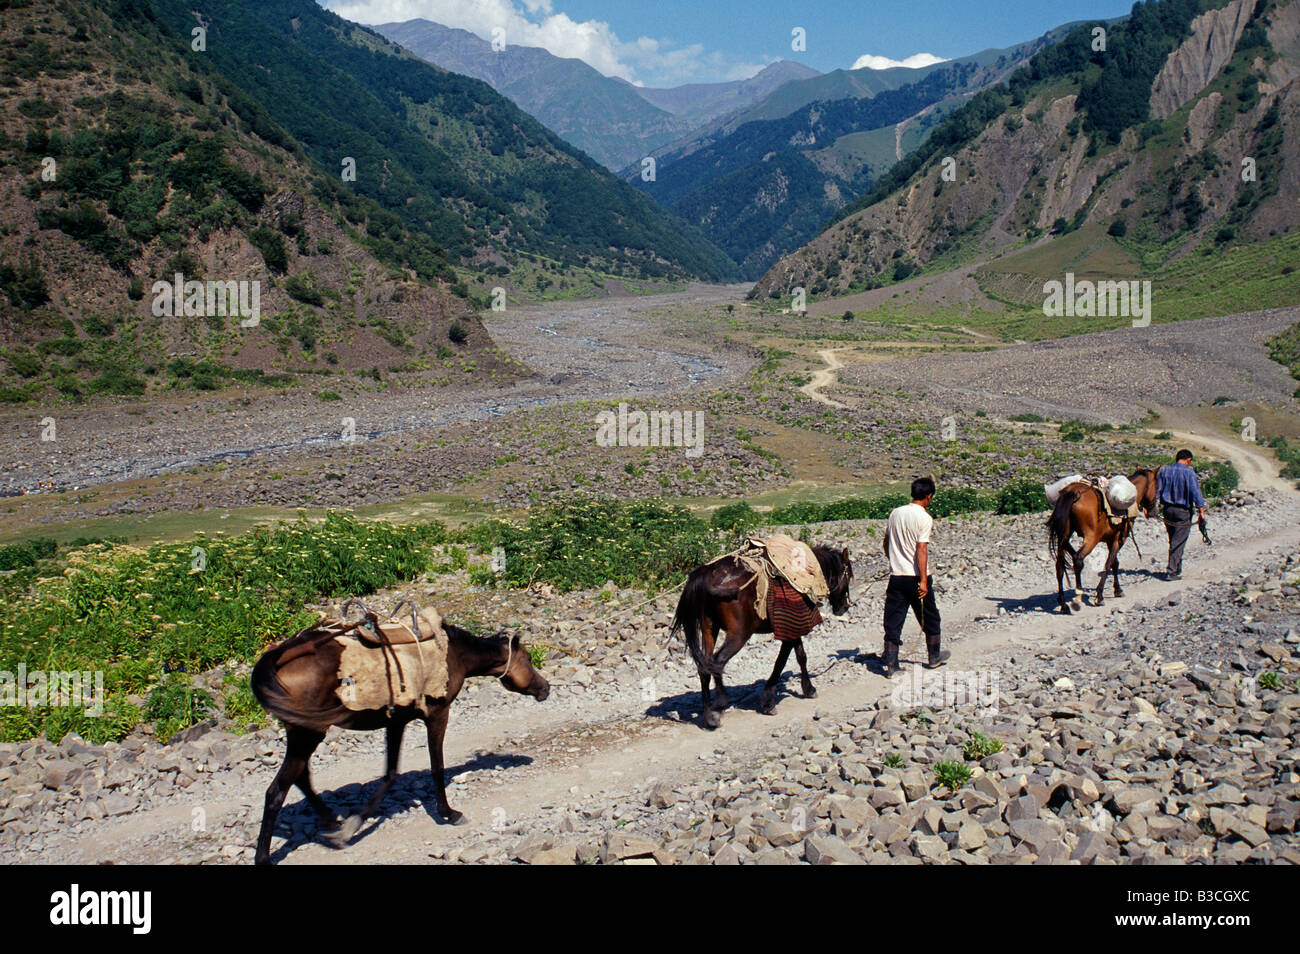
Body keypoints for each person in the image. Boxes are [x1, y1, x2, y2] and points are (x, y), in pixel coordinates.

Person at [879, 476, 950, 677]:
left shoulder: (895, 513)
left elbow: (886, 543)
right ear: (928, 496)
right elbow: (921, 550)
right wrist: (924, 580)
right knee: (929, 616)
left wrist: (894, 560)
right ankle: (934, 657)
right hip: (916, 576)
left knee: (893, 620)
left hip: (897, 575)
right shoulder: (924, 518)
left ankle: (892, 666)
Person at [1157, 449, 1206, 581]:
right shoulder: (1188, 472)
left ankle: (1177, 567)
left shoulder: (1164, 470)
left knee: (1173, 538)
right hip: (1183, 511)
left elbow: (1158, 490)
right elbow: (1195, 491)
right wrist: (1201, 510)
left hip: (1167, 510)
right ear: (1188, 460)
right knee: (1178, 541)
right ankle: (1171, 571)